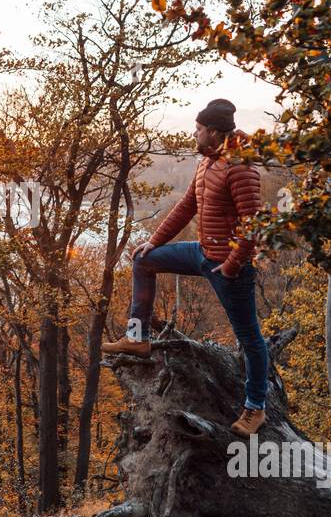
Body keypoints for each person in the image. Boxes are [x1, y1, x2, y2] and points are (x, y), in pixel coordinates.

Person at [101, 99, 269, 436]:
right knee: (143, 260)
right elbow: (187, 205)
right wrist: (155, 241)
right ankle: (138, 337)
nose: (194, 134)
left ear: (214, 132)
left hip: (227, 265)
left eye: (198, 129)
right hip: (202, 253)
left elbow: (254, 224)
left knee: (249, 337)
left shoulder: (240, 167)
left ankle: (255, 408)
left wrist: (233, 265)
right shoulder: (207, 163)